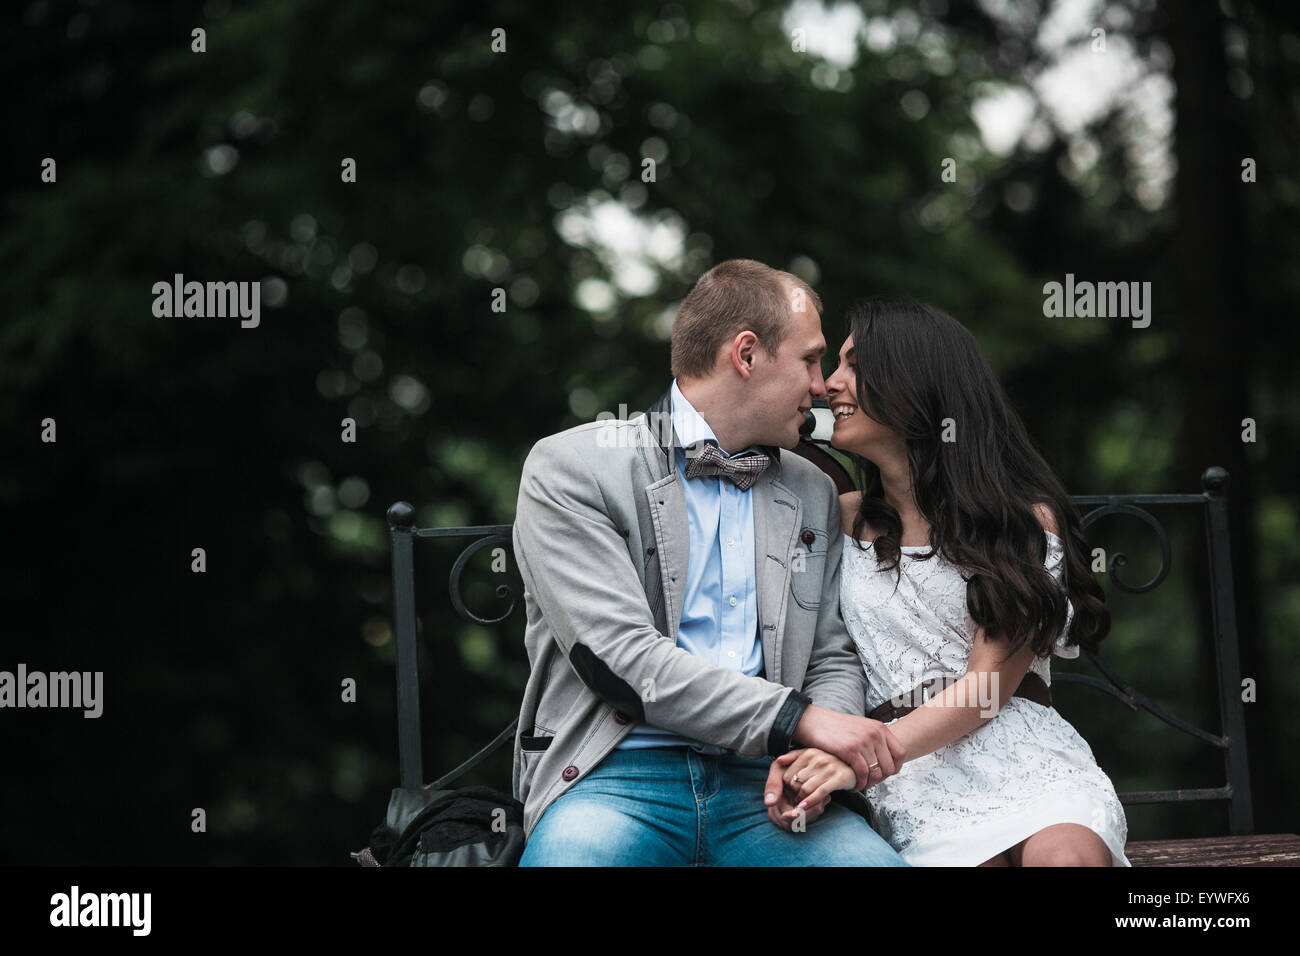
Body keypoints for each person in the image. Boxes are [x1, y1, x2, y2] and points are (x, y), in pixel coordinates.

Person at [510, 259, 907, 866]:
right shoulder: (574, 468)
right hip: (613, 778)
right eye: (809, 360)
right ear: (746, 355)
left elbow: (832, 654)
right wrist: (798, 720)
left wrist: (821, 760)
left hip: (769, 784)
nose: (823, 385)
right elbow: (622, 661)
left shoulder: (811, 488)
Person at [781, 297, 1131, 867]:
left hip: (1024, 758)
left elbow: (987, 690)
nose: (829, 386)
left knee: (1065, 858)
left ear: (911, 383)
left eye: (852, 365)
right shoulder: (836, 517)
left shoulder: (1017, 519)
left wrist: (854, 761)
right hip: (913, 778)